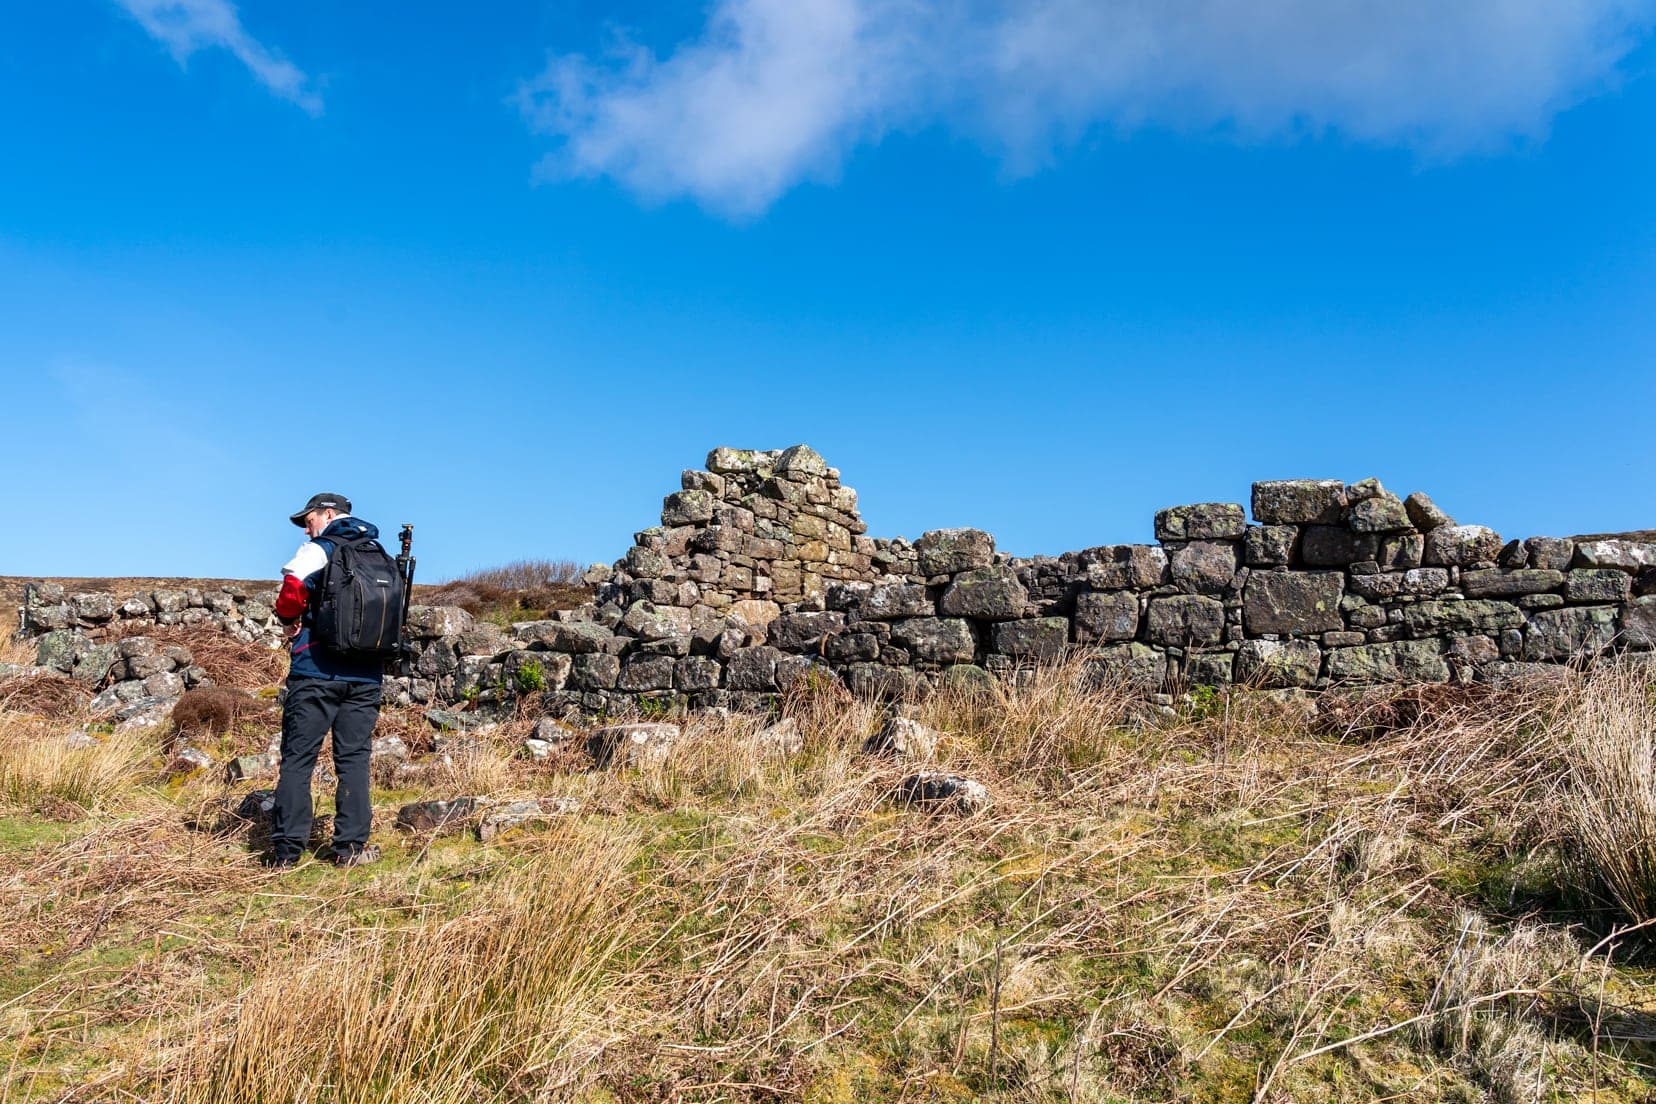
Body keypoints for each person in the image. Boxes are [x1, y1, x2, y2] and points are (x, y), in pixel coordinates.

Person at [267, 493, 385, 868]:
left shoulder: (318, 549)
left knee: (298, 760)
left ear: (329, 515)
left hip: (315, 671)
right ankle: (349, 849)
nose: (306, 526)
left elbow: (290, 591)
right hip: (366, 676)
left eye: (310, 518)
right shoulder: (379, 555)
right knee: (354, 760)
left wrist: (290, 621)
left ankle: (287, 852)